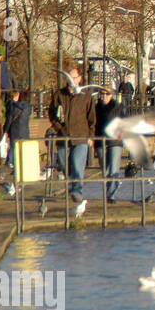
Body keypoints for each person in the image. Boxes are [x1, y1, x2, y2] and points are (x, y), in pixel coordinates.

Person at [48, 67, 95, 212]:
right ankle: (72, 186)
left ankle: (77, 193)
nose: (71, 81)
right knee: (65, 166)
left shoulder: (86, 96)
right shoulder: (59, 95)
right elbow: (52, 114)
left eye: (74, 78)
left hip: (81, 137)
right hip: (64, 137)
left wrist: (91, 136)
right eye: (68, 78)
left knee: (77, 164)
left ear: (79, 79)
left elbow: (92, 117)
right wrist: (59, 128)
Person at [94, 87, 124, 202]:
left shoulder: (117, 107)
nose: (103, 96)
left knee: (113, 168)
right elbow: (93, 123)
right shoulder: (96, 108)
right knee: (105, 169)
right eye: (101, 93)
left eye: (106, 94)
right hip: (100, 141)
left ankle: (111, 194)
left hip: (115, 141)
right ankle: (109, 189)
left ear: (111, 95)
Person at [3, 89, 31, 172]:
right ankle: (23, 166)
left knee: (14, 148)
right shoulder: (28, 107)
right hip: (25, 130)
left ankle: (12, 164)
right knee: (23, 149)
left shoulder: (14, 107)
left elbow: (9, 120)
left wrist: (5, 131)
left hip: (15, 130)